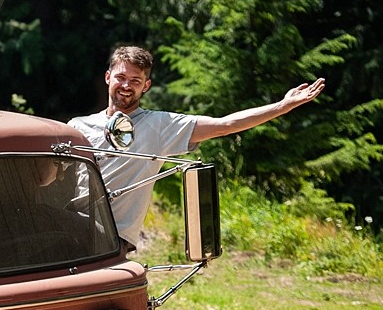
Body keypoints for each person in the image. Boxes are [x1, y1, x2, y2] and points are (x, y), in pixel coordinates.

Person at [69, 45, 326, 248]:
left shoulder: (159, 126)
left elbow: (225, 124)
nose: (126, 86)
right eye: (121, 77)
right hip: (71, 222)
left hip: (109, 235)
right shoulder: (77, 126)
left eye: (135, 81)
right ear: (108, 77)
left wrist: (282, 106)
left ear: (146, 86)